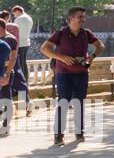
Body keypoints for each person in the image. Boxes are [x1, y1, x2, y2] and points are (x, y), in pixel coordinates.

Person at [41, 8, 105, 145]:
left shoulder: (86, 33)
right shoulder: (61, 33)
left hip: (81, 73)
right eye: (80, 17)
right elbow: (44, 49)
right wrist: (61, 57)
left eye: (83, 17)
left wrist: (92, 56)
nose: (83, 19)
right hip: (64, 74)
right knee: (63, 102)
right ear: (71, 18)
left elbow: (101, 46)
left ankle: (79, 132)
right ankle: (58, 135)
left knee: (80, 103)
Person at [11, 5, 33, 117]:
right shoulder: (29, 18)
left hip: (19, 44)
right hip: (26, 43)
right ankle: (25, 77)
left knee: (19, 65)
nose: (14, 15)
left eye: (14, 13)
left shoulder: (17, 21)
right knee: (22, 64)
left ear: (18, 11)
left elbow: (15, 34)